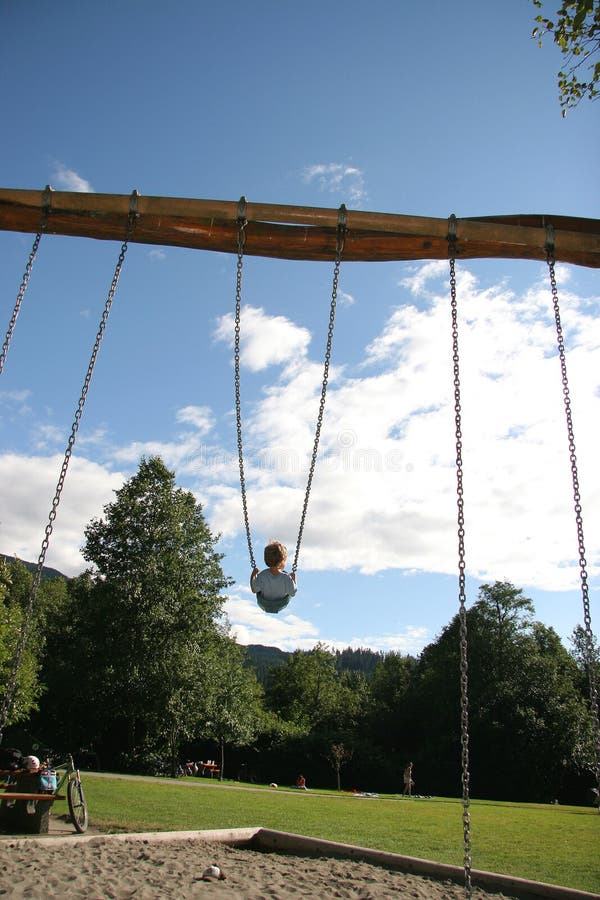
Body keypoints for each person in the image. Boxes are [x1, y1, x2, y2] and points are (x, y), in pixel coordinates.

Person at [251, 541, 297, 614]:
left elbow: (254, 590)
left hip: (264, 603)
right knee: (289, 589)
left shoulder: (261, 575)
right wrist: (294, 579)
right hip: (281, 604)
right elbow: (293, 593)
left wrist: (253, 575)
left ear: (266, 560)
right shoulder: (287, 578)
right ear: (283, 561)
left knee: (257, 586)